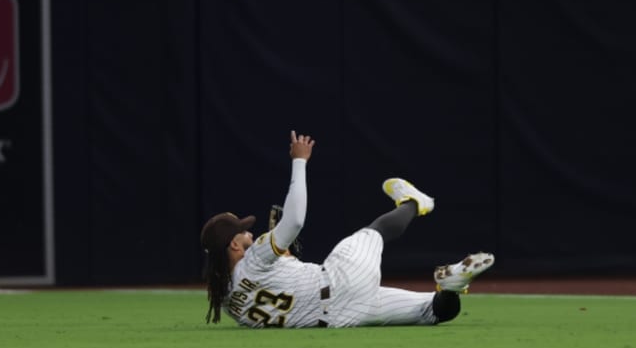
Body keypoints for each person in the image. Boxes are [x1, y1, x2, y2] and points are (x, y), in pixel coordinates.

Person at [201, 132, 496, 328]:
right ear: (234, 247)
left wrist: (285, 260)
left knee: (436, 311)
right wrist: (299, 161)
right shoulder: (253, 259)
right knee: (375, 231)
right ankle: (414, 202)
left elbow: (279, 293)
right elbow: (293, 222)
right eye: (243, 232)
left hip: (341, 317)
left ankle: (452, 285)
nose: (249, 234)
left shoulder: (227, 302)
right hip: (341, 279)